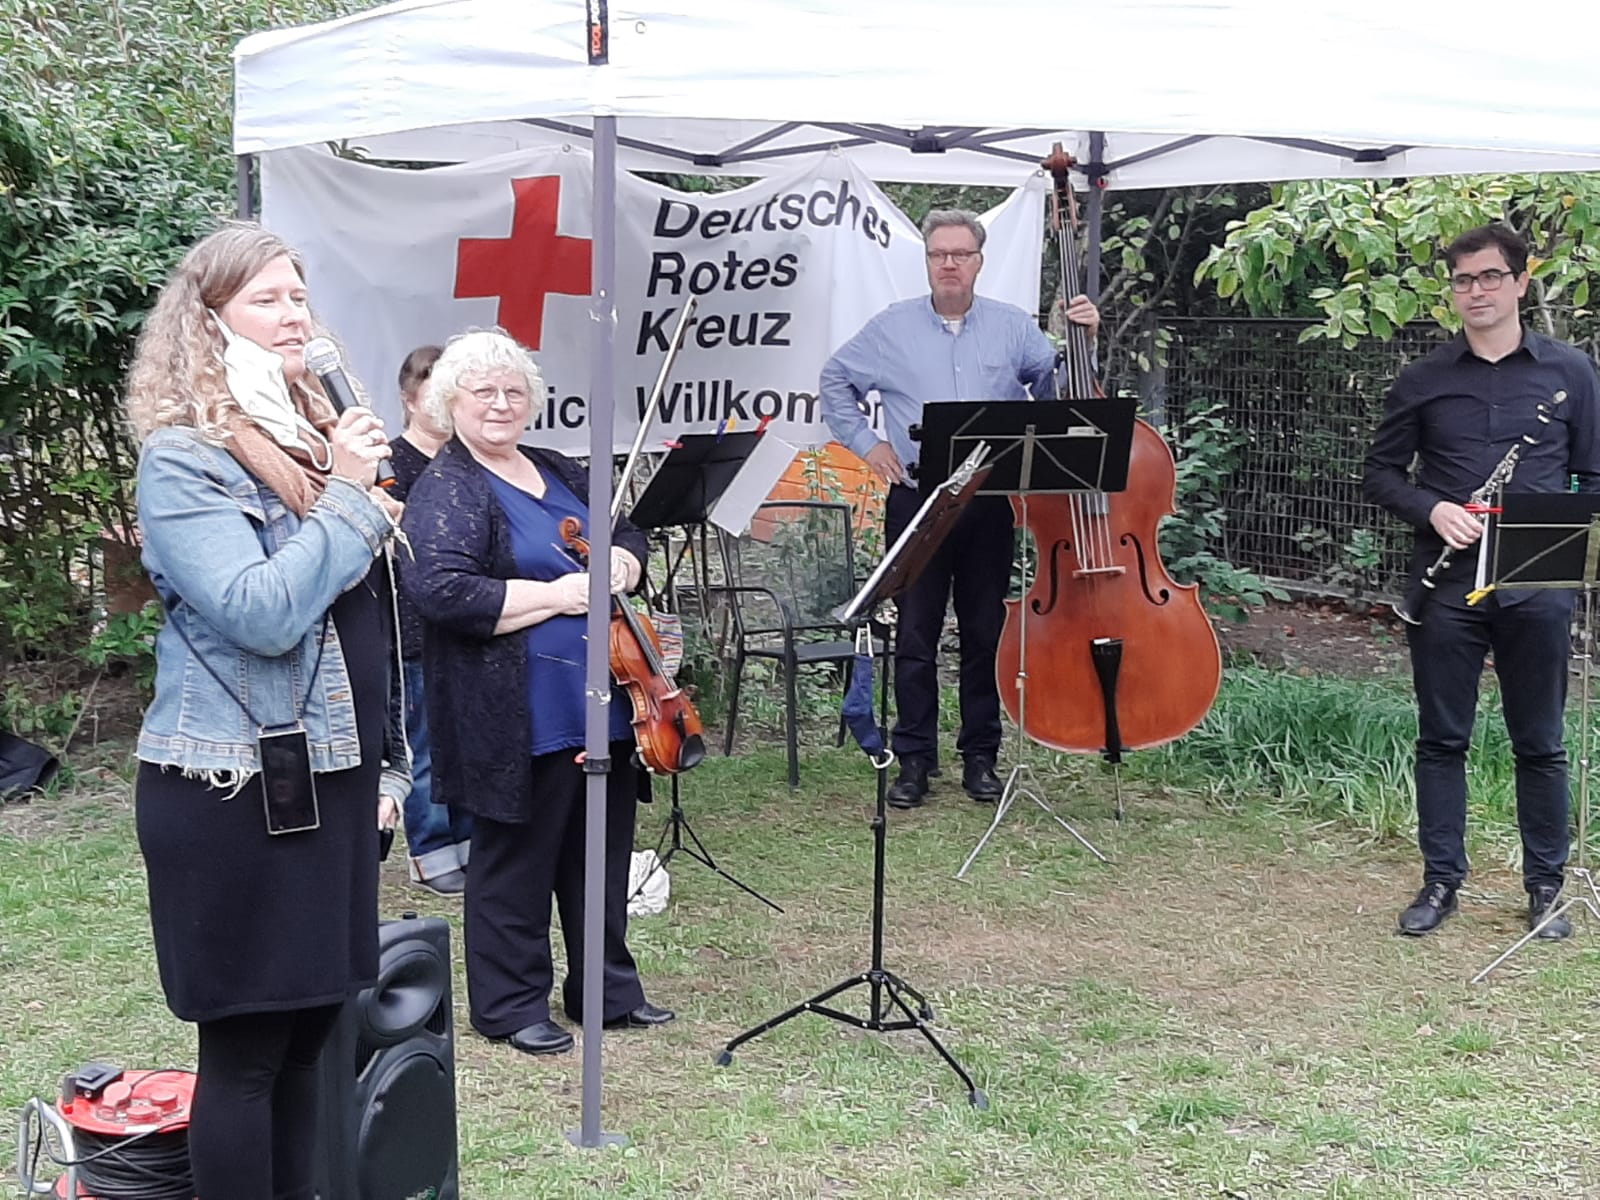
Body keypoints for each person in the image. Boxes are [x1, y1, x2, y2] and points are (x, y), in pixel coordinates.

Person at [125, 223, 407, 1200]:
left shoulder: (306, 439)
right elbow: (261, 613)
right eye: (268, 300)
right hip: (236, 793)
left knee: (308, 1042)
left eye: (299, 295)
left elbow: (375, 626)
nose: (295, 315)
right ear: (209, 325)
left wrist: (390, 770)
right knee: (246, 1055)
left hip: (333, 787)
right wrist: (353, 500)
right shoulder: (186, 459)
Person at [401, 329, 672, 1057]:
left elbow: (632, 534)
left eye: (514, 391)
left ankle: (606, 991)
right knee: (514, 863)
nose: (500, 403)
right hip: (515, 712)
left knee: (601, 856)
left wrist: (621, 562)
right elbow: (443, 591)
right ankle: (509, 1004)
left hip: (607, 699)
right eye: (483, 391)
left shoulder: (554, 466)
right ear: (450, 401)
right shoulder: (447, 487)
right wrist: (557, 595)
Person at [1364, 222, 1600, 939]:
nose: (1477, 292)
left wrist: (1558, 529)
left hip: (1536, 578)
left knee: (1541, 741)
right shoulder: (1424, 379)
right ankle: (1441, 883)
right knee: (1442, 737)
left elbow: (1593, 473)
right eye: (1464, 280)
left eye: (1491, 277)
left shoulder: (1571, 373)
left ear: (1522, 281)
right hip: (1446, 584)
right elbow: (1379, 474)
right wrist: (1433, 508)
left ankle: (1544, 888)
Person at [819, 208, 1100, 809]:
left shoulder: (1014, 328)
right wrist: (870, 446)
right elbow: (835, 379)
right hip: (918, 498)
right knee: (916, 635)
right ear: (926, 260)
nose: (949, 264)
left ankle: (981, 757)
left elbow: (1055, 401)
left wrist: (1082, 345)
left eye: (960, 254)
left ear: (979, 260)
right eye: (938, 254)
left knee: (983, 632)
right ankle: (915, 759)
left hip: (988, 502)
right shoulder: (890, 328)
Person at [388, 344, 473, 895]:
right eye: (430, 392)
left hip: (465, 623)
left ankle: (469, 841)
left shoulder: (468, 461)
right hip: (412, 625)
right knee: (422, 742)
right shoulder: (390, 464)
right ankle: (432, 850)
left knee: (466, 740)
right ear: (409, 399)